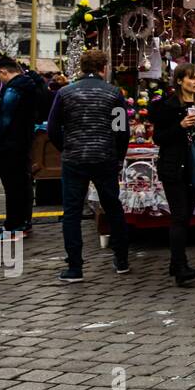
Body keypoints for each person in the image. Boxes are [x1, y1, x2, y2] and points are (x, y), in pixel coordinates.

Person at [47, 49, 132, 282]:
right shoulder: (114, 93)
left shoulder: (65, 93)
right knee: (113, 207)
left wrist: (65, 147)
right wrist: (118, 156)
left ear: (82, 68)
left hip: (74, 158)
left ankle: (75, 267)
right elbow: (121, 129)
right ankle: (122, 259)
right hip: (104, 157)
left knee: (72, 212)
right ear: (103, 68)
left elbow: (52, 128)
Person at [150, 63, 195, 286]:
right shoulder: (167, 107)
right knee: (180, 216)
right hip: (173, 167)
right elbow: (159, 138)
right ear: (179, 81)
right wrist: (181, 125)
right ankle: (180, 265)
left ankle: (177, 264)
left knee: (186, 216)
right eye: (191, 78)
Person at [0, 58, 40, 238]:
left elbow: (6, 118)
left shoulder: (14, 88)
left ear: (3, 72)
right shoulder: (30, 84)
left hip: (11, 144)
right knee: (22, 185)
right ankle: (24, 223)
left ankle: (13, 226)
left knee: (13, 186)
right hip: (23, 141)